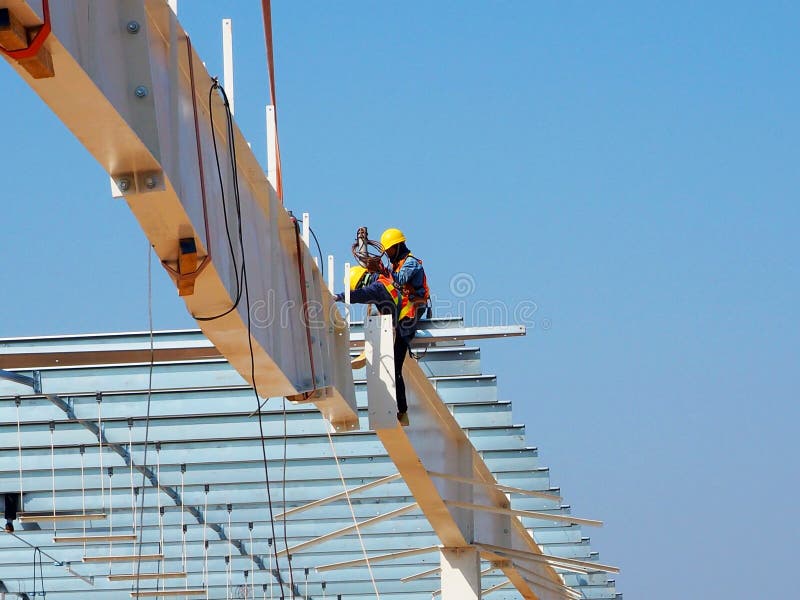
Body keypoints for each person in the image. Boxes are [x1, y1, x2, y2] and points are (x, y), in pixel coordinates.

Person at [336, 265, 414, 426]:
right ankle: (401, 411)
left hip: (405, 324)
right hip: (405, 320)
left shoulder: (377, 288)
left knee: (394, 368)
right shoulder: (383, 281)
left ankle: (402, 412)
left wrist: (339, 297)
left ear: (359, 283)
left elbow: (362, 294)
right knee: (394, 364)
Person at [380, 228, 430, 324]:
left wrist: (381, 270)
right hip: (404, 304)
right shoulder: (395, 265)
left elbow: (399, 280)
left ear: (397, 247)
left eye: (389, 251)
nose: (387, 254)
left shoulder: (411, 262)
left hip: (415, 305)